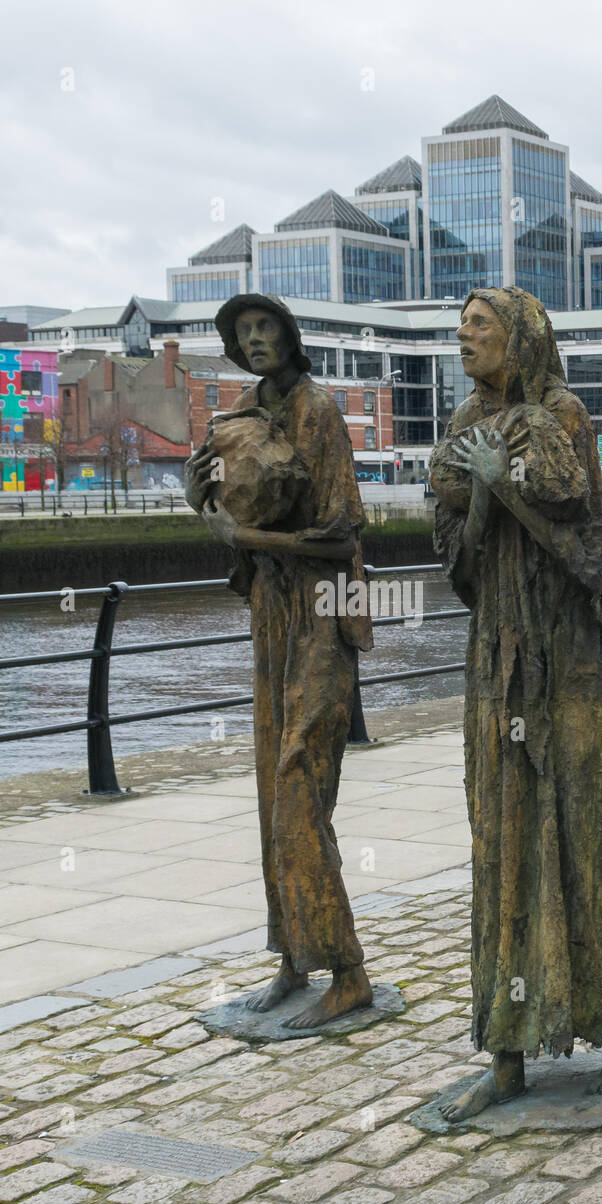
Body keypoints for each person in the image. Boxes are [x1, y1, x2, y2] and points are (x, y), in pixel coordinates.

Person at [428, 285, 602, 1121]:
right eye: (461, 327)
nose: (463, 338)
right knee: (502, 840)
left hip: (571, 664)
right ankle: (507, 1052)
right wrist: (482, 494)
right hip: (498, 665)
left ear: (519, 336)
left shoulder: (568, 415)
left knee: (588, 834)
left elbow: (590, 549)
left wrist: (507, 488)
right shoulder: (462, 422)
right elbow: (460, 568)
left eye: (478, 327)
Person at [184, 294, 372, 1029]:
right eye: (243, 333)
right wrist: (205, 509)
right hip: (271, 614)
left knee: (300, 782)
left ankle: (348, 971)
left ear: (290, 338)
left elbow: (338, 534)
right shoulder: (237, 413)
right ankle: (293, 958)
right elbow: (231, 520)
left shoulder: (319, 411)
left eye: (266, 329)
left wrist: (247, 539)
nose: (255, 340)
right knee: (271, 782)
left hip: (322, 614)